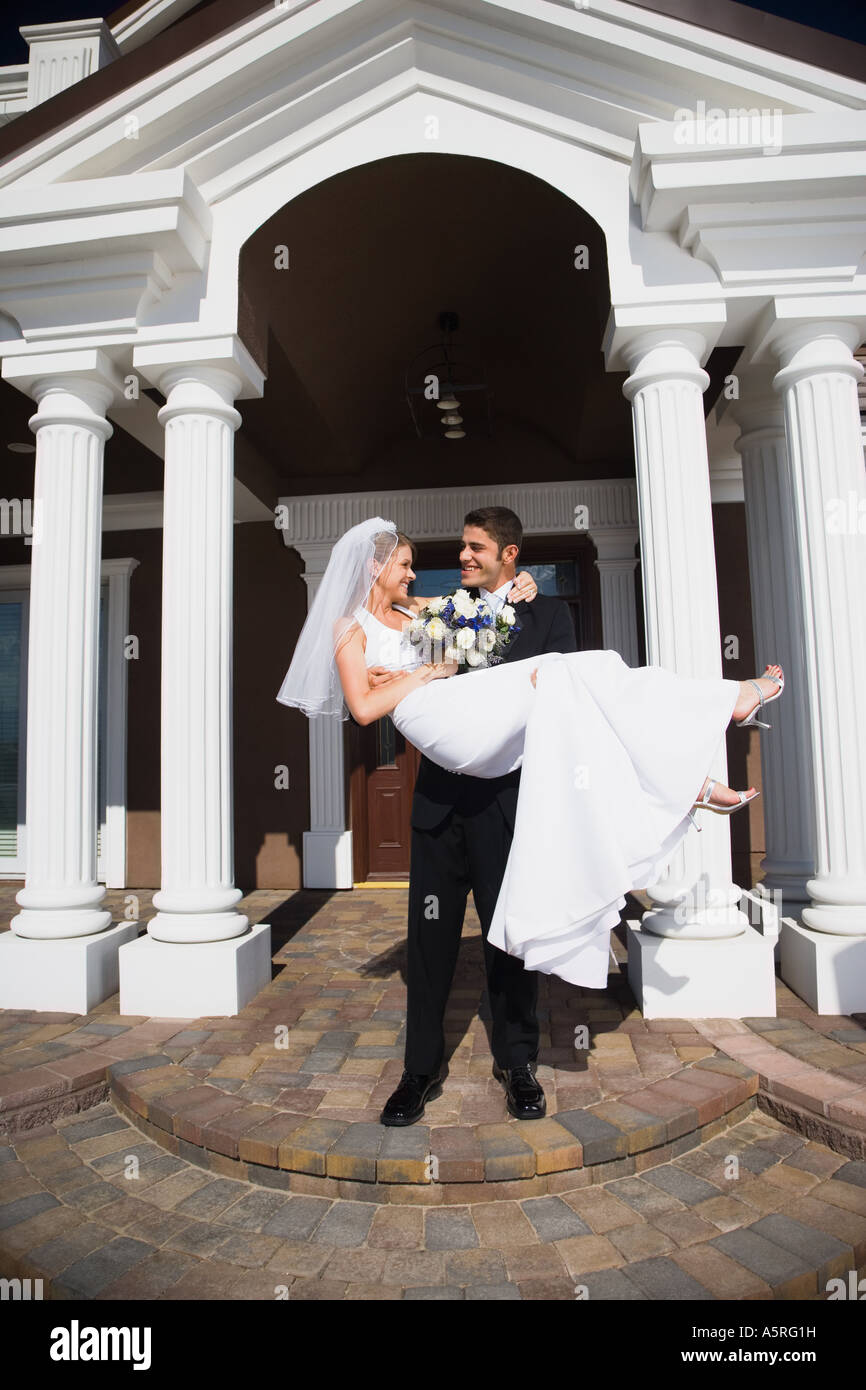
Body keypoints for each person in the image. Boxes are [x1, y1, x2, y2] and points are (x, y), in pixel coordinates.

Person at [276, 516, 784, 1125]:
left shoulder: (432, 613)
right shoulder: (361, 625)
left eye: (467, 550)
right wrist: (421, 672)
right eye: (406, 565)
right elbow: (365, 707)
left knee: (511, 931)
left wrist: (516, 593)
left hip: (501, 796)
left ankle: (517, 1064)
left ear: (506, 555)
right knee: (430, 946)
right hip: (440, 797)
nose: (419, 572)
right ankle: (418, 1073)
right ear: (374, 569)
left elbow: (482, 619)